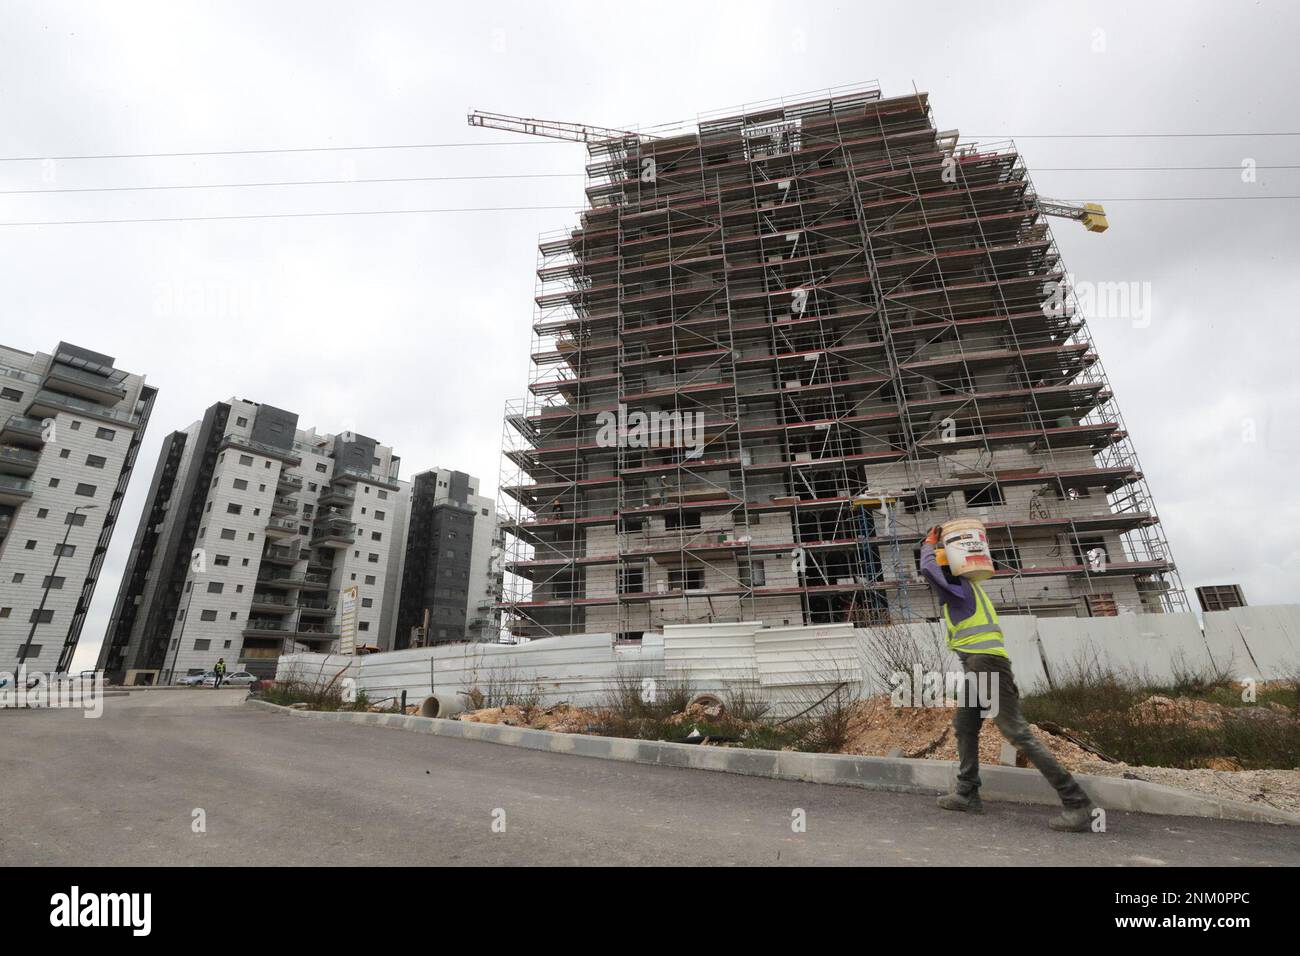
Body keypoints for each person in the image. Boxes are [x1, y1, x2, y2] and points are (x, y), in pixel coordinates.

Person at [920, 524, 1097, 832]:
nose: (932, 587)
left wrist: (928, 543)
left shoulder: (957, 590)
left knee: (1015, 732)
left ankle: (1077, 802)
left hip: (984, 664)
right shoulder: (964, 590)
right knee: (964, 724)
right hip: (978, 664)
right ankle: (967, 792)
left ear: (947, 571)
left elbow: (928, 568)